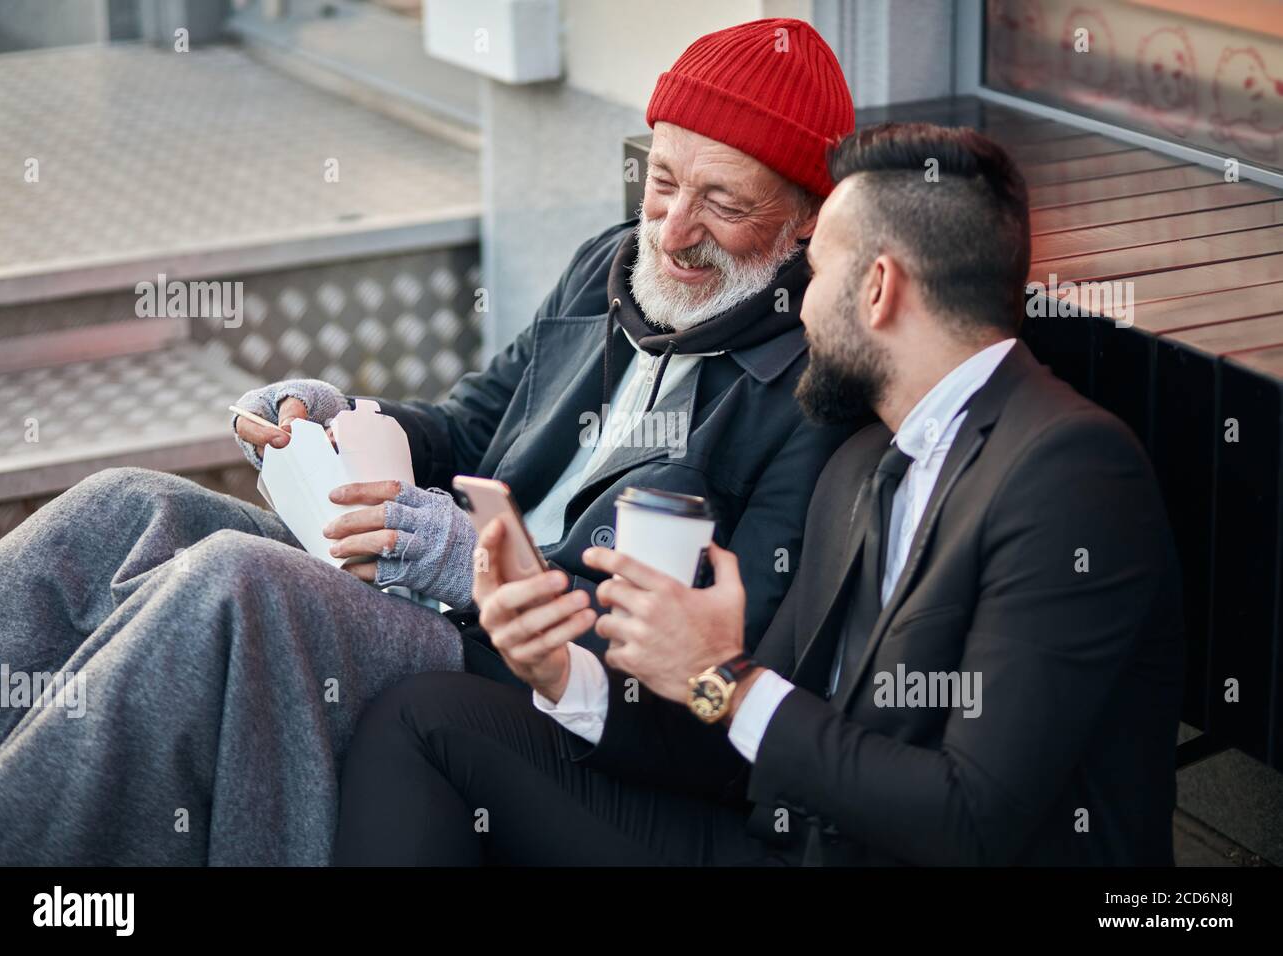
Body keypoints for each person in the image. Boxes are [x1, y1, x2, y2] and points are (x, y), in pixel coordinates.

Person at [0, 19, 859, 865]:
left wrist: (472, 568)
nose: (671, 232)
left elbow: (691, 664)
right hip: (432, 585)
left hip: (520, 670)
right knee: (124, 505)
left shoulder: (811, 396)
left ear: (808, 219)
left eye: (722, 203)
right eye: (662, 181)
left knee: (234, 584)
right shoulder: (610, 265)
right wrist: (338, 418)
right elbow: (472, 424)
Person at [333, 122, 1185, 866]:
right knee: (427, 719)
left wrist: (726, 680)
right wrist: (563, 670)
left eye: (814, 273)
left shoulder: (1069, 471)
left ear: (878, 289)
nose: (799, 308)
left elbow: (973, 818)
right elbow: (739, 720)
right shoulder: (862, 464)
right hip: (785, 838)